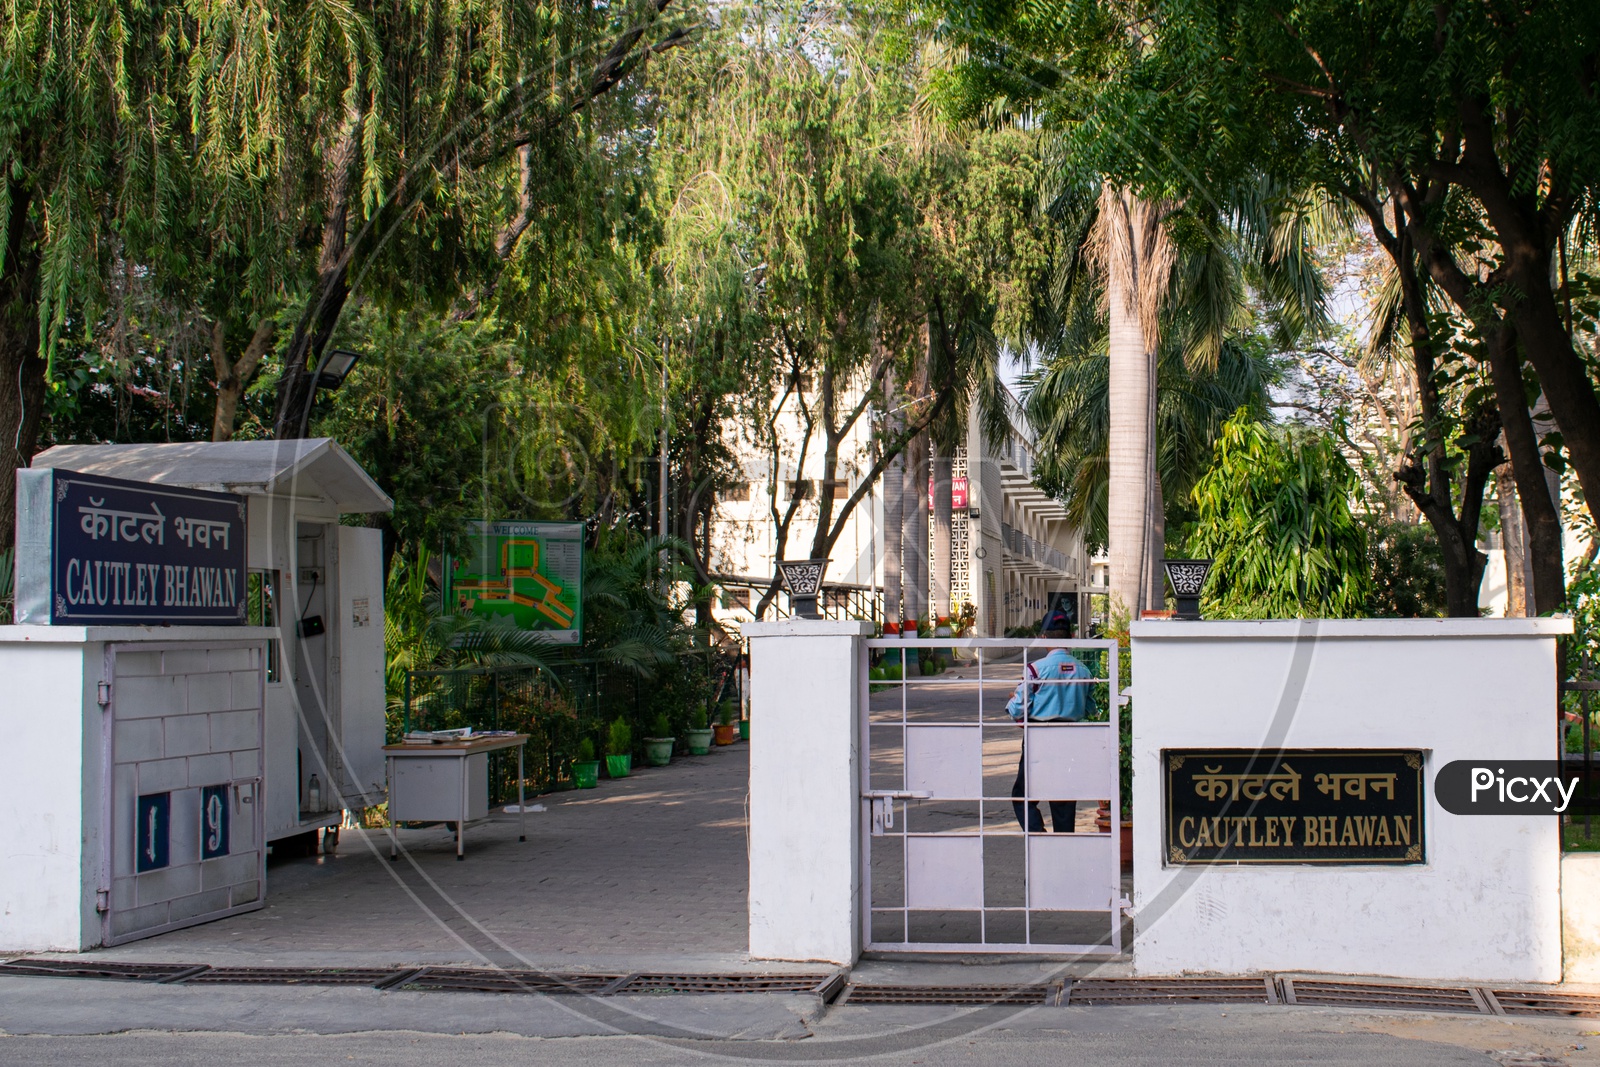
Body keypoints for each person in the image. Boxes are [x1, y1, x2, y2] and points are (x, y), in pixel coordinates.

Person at [1006, 607, 1092, 833]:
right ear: (1071, 637)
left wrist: (1013, 700)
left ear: (1043, 637)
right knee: (1063, 800)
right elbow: (1091, 708)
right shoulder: (1083, 670)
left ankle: (1039, 839)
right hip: (1070, 739)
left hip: (1039, 738)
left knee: (1023, 796)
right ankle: (1061, 849)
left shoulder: (1035, 669)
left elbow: (1017, 709)